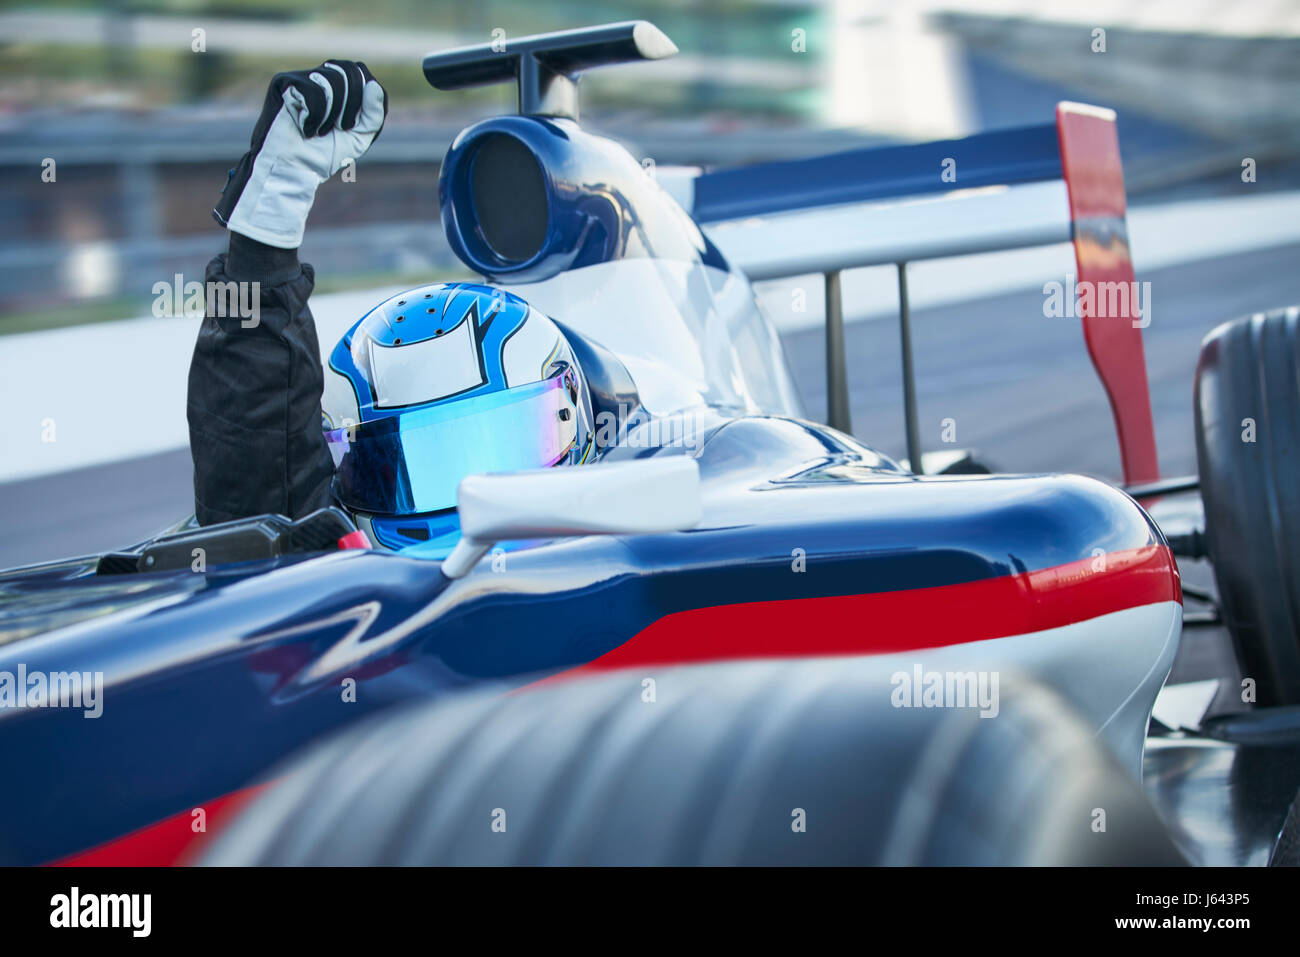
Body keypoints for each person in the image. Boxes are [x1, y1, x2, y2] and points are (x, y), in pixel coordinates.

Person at [187, 62, 594, 550]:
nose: (461, 502)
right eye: (403, 471)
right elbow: (258, 487)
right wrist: (261, 244)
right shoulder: (336, 562)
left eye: (503, 444)